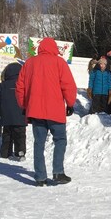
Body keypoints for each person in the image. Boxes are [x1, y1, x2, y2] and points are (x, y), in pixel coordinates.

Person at [15, 37, 78, 186]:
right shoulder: (59, 63)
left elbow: (20, 87)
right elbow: (68, 85)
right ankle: (58, 172)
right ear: (54, 48)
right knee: (60, 140)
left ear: (40, 48)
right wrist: (70, 103)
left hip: (35, 111)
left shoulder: (29, 63)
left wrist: (24, 106)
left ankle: (40, 177)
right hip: (55, 110)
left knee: (39, 143)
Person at [0, 61, 27, 160]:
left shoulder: (2, 86)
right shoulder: (24, 85)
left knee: (7, 134)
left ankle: (5, 153)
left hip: (6, 115)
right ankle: (20, 152)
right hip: (21, 115)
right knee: (20, 134)